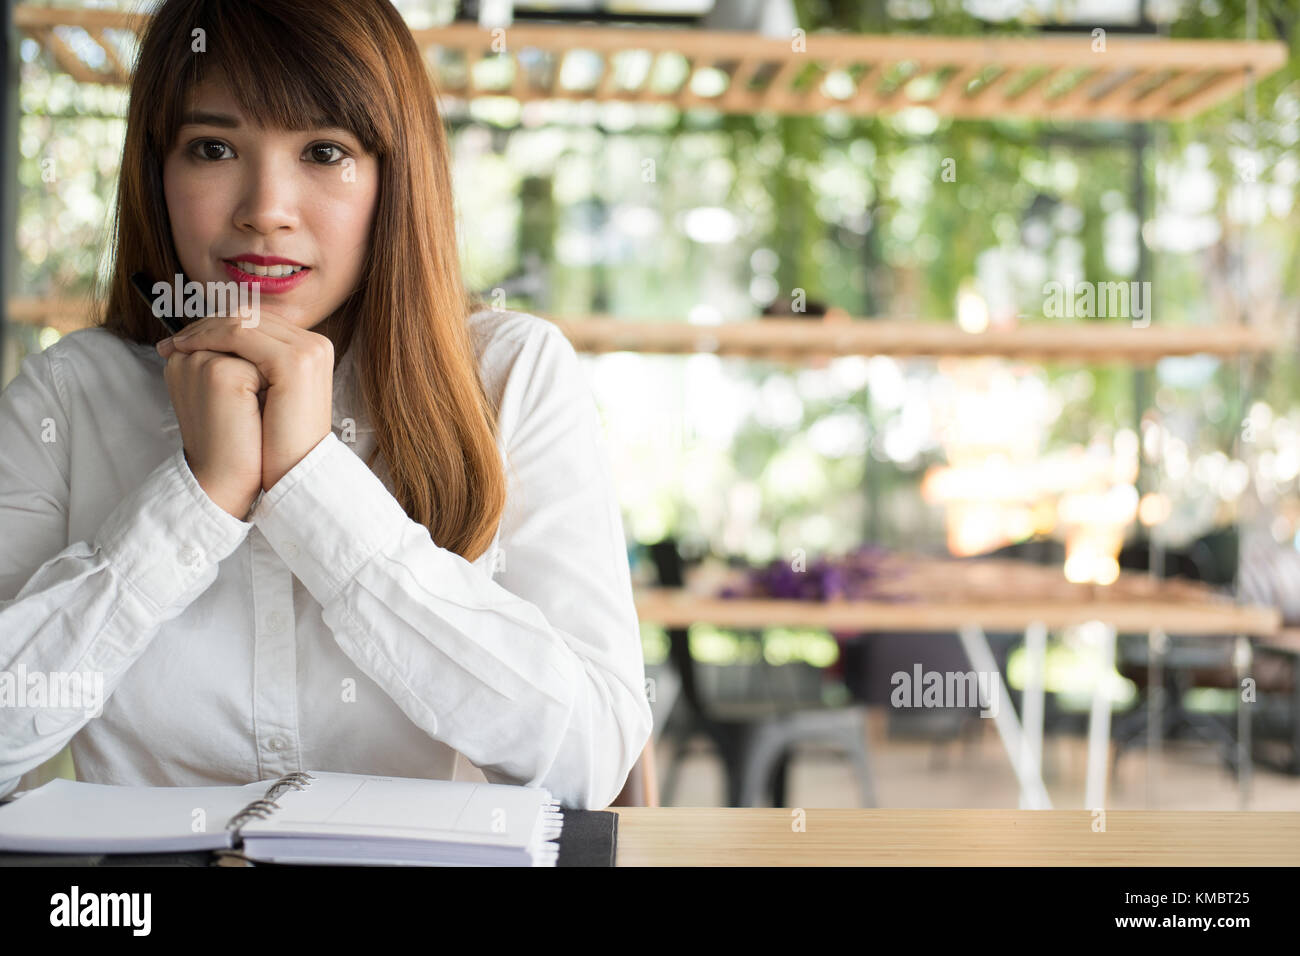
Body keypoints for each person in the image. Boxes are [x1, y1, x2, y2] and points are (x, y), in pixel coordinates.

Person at [0, 0, 651, 810]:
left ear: (393, 178)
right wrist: (198, 501)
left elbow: (592, 757)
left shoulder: (511, 376)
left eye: (323, 150)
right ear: (156, 173)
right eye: (212, 148)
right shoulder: (69, 397)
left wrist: (315, 487)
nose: (266, 207)